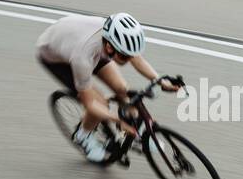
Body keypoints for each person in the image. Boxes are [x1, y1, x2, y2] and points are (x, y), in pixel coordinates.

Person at [36, 12, 180, 162]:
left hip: (81, 43)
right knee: (99, 103)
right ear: (110, 47)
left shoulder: (113, 38)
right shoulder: (82, 58)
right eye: (125, 56)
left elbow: (136, 59)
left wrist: (160, 81)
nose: (129, 60)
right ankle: (82, 135)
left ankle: (136, 133)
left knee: (122, 88)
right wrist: (117, 121)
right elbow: (90, 104)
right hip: (56, 58)